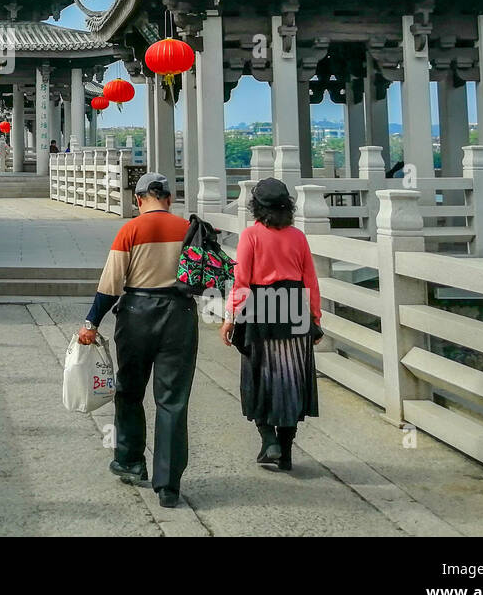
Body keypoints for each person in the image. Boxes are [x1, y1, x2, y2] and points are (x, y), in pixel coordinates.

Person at [78, 173, 194, 508]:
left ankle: (130, 462)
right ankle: (169, 485)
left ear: (139, 199)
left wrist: (91, 322)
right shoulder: (186, 228)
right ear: (169, 199)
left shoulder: (130, 229)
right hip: (180, 315)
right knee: (173, 400)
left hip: (137, 313)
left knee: (129, 391)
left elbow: (110, 284)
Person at [219, 177, 324, 472]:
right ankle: (286, 451)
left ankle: (269, 441)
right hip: (293, 306)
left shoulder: (251, 236)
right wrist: (315, 318)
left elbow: (241, 282)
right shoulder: (298, 237)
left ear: (257, 207)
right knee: (292, 379)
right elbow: (310, 281)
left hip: (260, 306)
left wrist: (229, 318)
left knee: (259, 377)